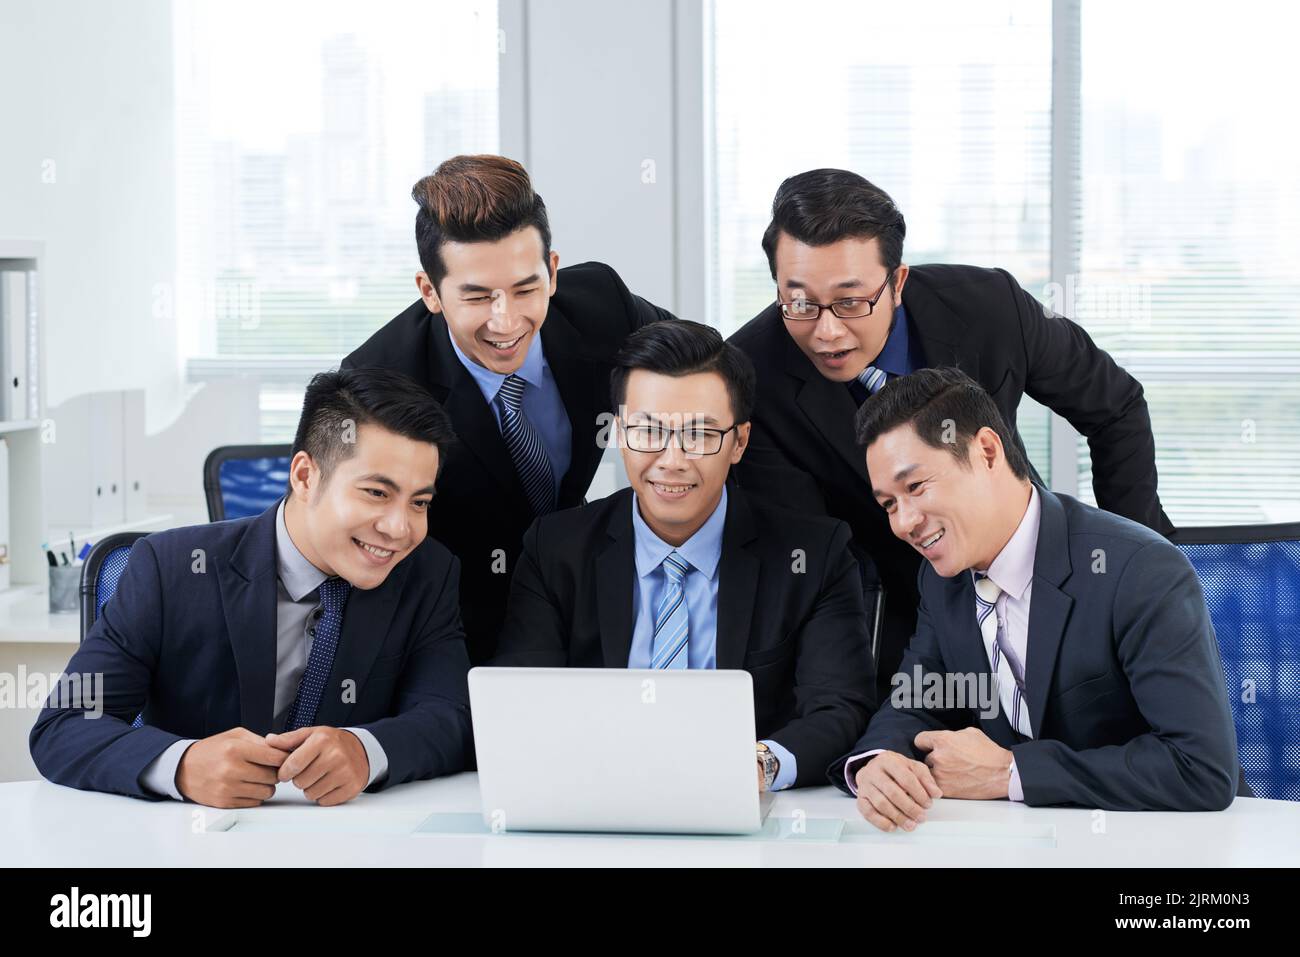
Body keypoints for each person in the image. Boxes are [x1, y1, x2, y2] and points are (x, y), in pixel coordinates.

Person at [729, 168, 1172, 697]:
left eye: (851, 302)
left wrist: (1136, 566)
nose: (826, 331)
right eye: (798, 302)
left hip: (1039, 582)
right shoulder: (753, 376)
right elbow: (815, 557)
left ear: (896, 282)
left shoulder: (989, 306)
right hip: (889, 623)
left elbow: (1115, 406)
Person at [30, 368, 473, 807]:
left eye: (419, 502)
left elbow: (450, 718)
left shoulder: (426, 574)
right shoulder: (170, 569)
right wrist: (181, 765)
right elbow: (66, 723)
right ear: (305, 476)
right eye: (377, 493)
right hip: (196, 842)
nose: (399, 528)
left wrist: (366, 750)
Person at [827, 367, 1242, 830]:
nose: (903, 523)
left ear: (986, 451)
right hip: (1024, 841)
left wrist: (1010, 772)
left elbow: (1199, 768)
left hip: (1157, 842)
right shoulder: (942, 580)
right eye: (888, 504)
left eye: (916, 487)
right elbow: (917, 700)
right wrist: (882, 759)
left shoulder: (1138, 570)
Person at [494, 320, 875, 789]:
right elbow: (524, 703)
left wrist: (756, 767)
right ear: (617, 432)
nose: (671, 460)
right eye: (647, 431)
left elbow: (839, 708)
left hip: (745, 811)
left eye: (699, 434)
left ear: (739, 442)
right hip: (596, 801)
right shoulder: (555, 550)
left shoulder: (813, 555)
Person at [342, 154, 677, 665]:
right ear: (429, 292)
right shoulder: (379, 380)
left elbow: (706, 369)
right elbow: (362, 543)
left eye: (526, 289)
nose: (506, 322)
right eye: (477, 297)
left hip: (584, 588)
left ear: (554, 271)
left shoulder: (601, 304)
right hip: (456, 612)